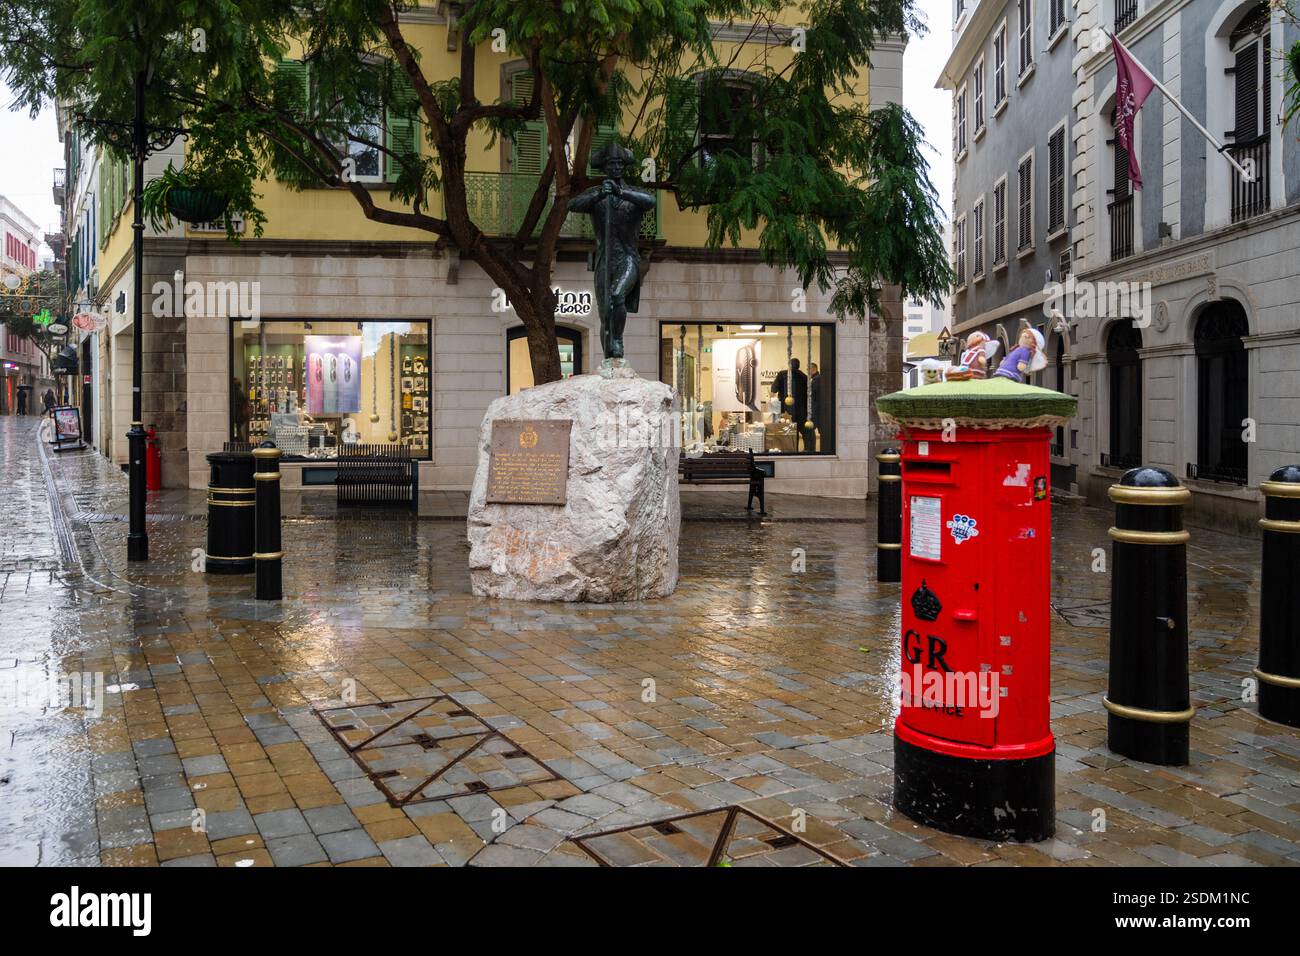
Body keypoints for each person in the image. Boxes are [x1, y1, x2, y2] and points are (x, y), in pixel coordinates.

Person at [772, 358, 810, 452]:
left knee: (790, 431)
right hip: (801, 409)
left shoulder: (782, 374)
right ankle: (807, 450)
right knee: (803, 431)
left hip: (786, 411)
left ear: (789, 365)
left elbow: (774, 389)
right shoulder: (804, 377)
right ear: (799, 366)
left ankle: (793, 450)